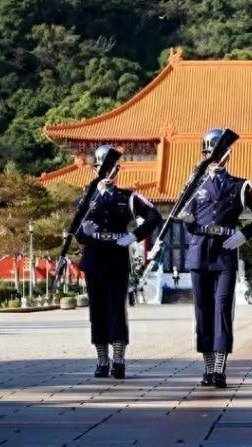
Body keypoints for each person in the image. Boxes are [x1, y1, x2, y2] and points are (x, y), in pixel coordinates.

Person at [178, 128, 252, 388]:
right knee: (202, 311)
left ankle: (219, 368)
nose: (214, 158)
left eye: (219, 153)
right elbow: (185, 219)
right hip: (199, 252)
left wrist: (244, 234)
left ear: (228, 155)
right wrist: (186, 220)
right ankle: (207, 367)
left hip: (225, 252)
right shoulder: (193, 185)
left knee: (222, 309)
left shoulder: (240, 185)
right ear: (204, 154)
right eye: (209, 153)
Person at [77, 145, 162, 379]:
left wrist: (135, 236)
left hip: (116, 257)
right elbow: (77, 233)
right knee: (97, 310)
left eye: (113, 169)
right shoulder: (86, 198)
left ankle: (119, 359)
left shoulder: (128, 197)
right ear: (95, 169)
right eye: (103, 168)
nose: (108, 173)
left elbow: (155, 217)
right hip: (94, 258)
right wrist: (84, 232)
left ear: (118, 170)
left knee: (117, 308)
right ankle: (102, 360)